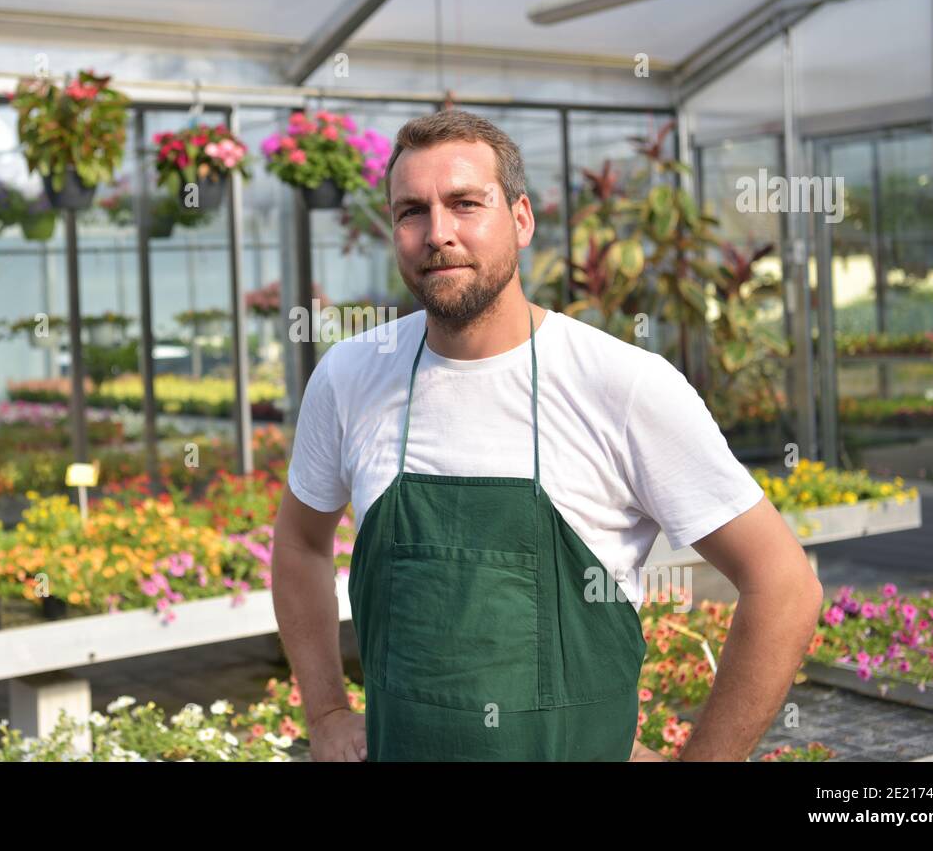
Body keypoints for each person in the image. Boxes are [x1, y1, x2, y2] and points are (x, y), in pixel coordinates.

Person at [271, 109, 823, 762]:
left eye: (465, 203)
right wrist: (328, 711)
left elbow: (783, 583)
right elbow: (300, 543)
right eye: (410, 211)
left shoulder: (621, 385)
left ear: (522, 219)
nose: (436, 233)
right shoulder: (350, 377)